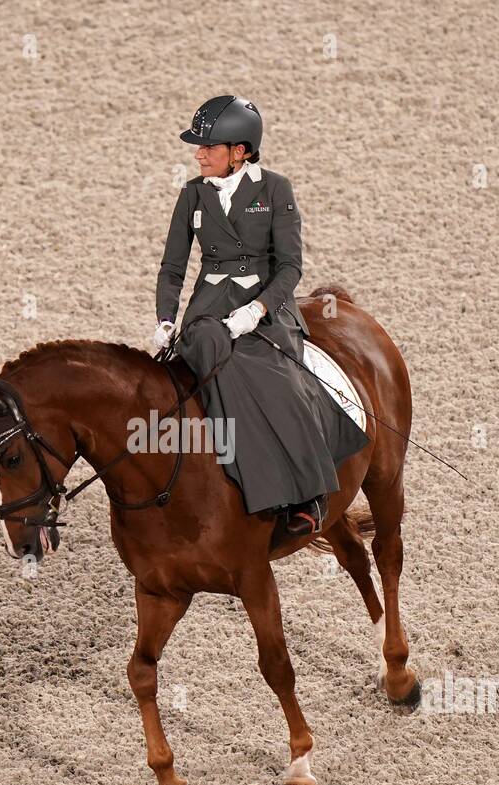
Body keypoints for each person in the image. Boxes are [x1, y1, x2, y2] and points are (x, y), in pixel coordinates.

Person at [154, 95, 370, 535]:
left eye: (208, 147)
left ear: (240, 151)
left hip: (267, 308)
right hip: (209, 309)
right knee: (189, 367)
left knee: (281, 381)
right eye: (198, 147)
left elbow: (290, 266)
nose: (198, 155)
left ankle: (308, 494)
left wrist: (256, 310)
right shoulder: (192, 194)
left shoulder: (274, 189)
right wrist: (164, 318)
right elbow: (173, 266)